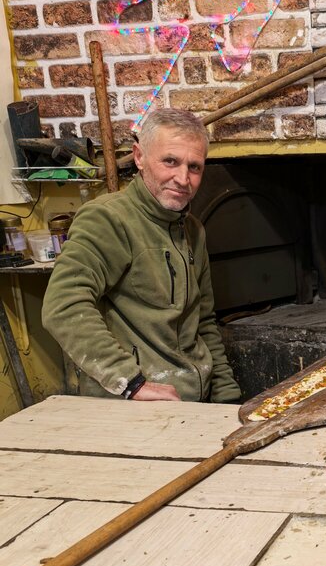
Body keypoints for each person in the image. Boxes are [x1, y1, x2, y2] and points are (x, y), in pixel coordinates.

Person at [42, 108, 241, 404]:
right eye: (170, 161)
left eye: (195, 167)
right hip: (134, 405)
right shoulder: (108, 219)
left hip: (193, 401)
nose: (183, 178)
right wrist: (131, 383)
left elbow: (204, 321)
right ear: (139, 157)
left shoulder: (193, 230)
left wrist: (227, 396)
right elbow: (63, 306)